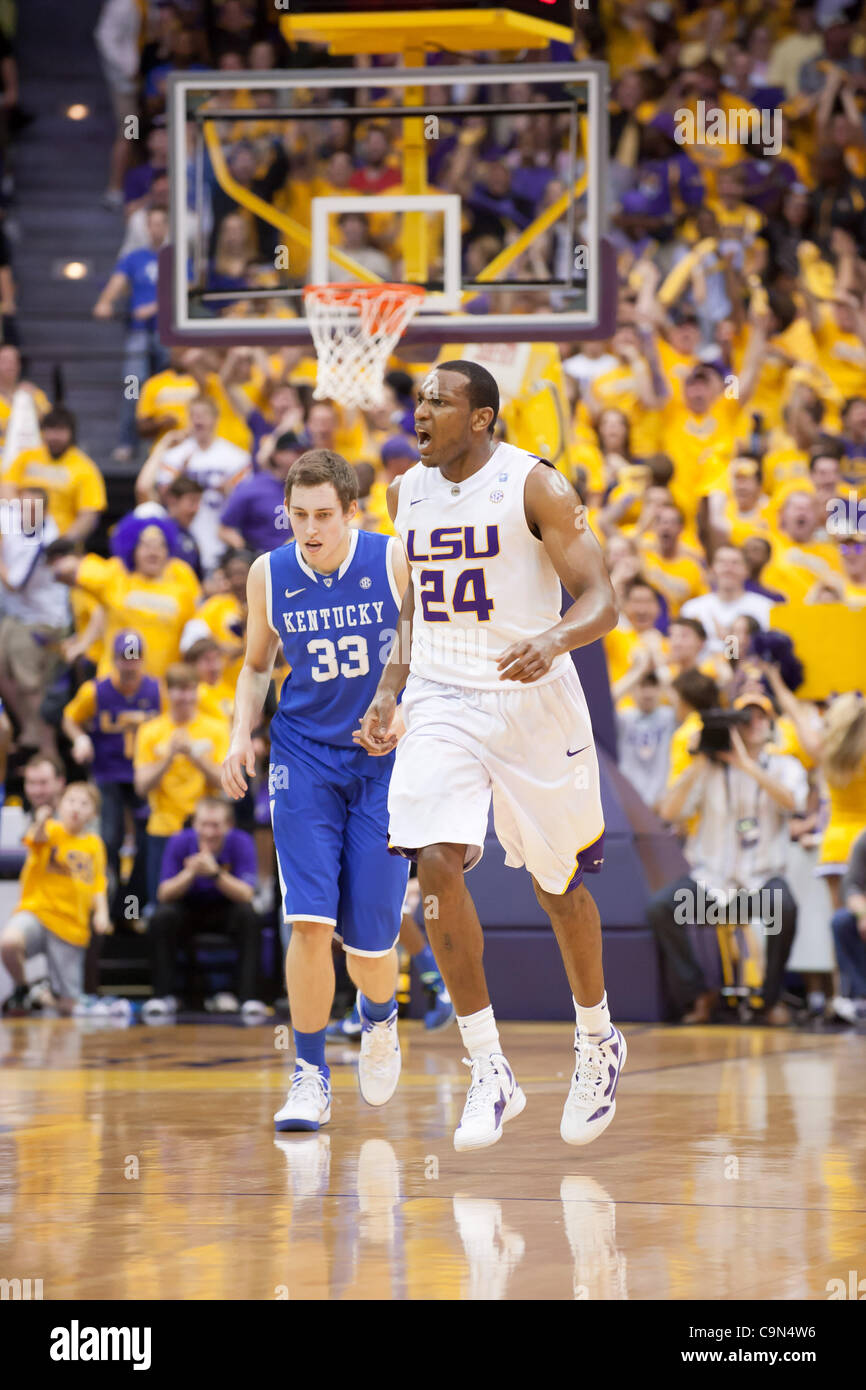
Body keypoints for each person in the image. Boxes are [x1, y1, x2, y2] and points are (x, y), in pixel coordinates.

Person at [358, 360, 625, 1152]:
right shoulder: (404, 492)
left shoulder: (535, 484)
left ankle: (597, 1037)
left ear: (482, 418)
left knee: (559, 885)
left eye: (439, 402)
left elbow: (603, 597)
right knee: (434, 860)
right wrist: (388, 689)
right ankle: (488, 1067)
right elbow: (414, 605)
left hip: (533, 699)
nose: (422, 412)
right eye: (418, 401)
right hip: (441, 696)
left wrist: (555, 639)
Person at [222, 448, 411, 1131]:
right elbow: (254, 668)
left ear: (350, 512)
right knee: (308, 922)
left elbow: (421, 657)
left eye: (323, 516)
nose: (309, 529)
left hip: (381, 765)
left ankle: (380, 1020)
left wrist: (401, 715)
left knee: (370, 944)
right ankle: (308, 1074)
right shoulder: (268, 574)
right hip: (301, 757)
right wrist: (241, 734)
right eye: (298, 516)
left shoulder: (393, 562)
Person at [651, 695, 807, 1025]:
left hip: (760, 886)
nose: (753, 722)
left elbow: (793, 802)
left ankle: (768, 1000)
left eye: (760, 716)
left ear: (771, 725)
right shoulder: (708, 770)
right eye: (745, 717)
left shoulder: (784, 766)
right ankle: (699, 995)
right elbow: (668, 812)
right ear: (732, 726)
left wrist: (745, 764)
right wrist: (697, 761)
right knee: (662, 907)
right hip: (711, 885)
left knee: (787, 907)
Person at [61, 630, 161, 924]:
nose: (130, 665)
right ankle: (109, 905)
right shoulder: (96, 690)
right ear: (115, 659)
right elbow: (69, 718)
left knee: (148, 839)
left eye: (135, 658)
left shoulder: (156, 690)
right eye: (124, 658)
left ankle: (132, 907)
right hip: (108, 773)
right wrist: (80, 738)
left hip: (143, 775)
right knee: (108, 837)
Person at [145, 798, 264, 1021]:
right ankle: (162, 997)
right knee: (161, 917)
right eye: (203, 824)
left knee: (250, 916)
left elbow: (247, 894)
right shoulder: (179, 841)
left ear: (229, 825)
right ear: (194, 824)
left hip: (226, 907)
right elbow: (163, 893)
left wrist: (215, 873)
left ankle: (248, 998)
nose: (209, 832)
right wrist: (190, 872)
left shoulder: (242, 841)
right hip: (188, 907)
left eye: (216, 825)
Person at [0, 783, 110, 1016]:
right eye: (71, 801)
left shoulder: (95, 845)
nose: (76, 808)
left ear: (94, 814)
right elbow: (36, 838)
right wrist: (40, 819)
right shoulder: (50, 830)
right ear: (60, 805)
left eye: (84, 803)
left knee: (70, 1006)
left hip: (71, 925)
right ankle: (23, 987)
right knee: (9, 942)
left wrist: (102, 913)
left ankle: (43, 995)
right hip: (37, 912)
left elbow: (99, 883)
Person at [133, 663, 229, 910]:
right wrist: (168, 757)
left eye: (190, 689)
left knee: (206, 907)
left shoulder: (216, 729)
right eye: (178, 690)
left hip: (206, 830)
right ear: (166, 692)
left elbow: (225, 782)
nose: (185, 697)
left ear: (197, 691)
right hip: (163, 828)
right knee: (161, 908)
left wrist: (194, 755)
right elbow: (141, 787)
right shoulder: (150, 731)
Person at [616, 670, 676, 810]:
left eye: (653, 686)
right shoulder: (624, 718)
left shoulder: (669, 716)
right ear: (632, 691)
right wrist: (638, 671)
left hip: (660, 801)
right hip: (628, 800)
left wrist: (660, 669)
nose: (648, 692)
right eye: (642, 686)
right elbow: (607, 700)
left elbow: (681, 701)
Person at [829, 827, 866, 1025]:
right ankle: (860, 997)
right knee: (841, 921)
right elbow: (851, 886)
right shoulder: (864, 839)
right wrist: (863, 914)